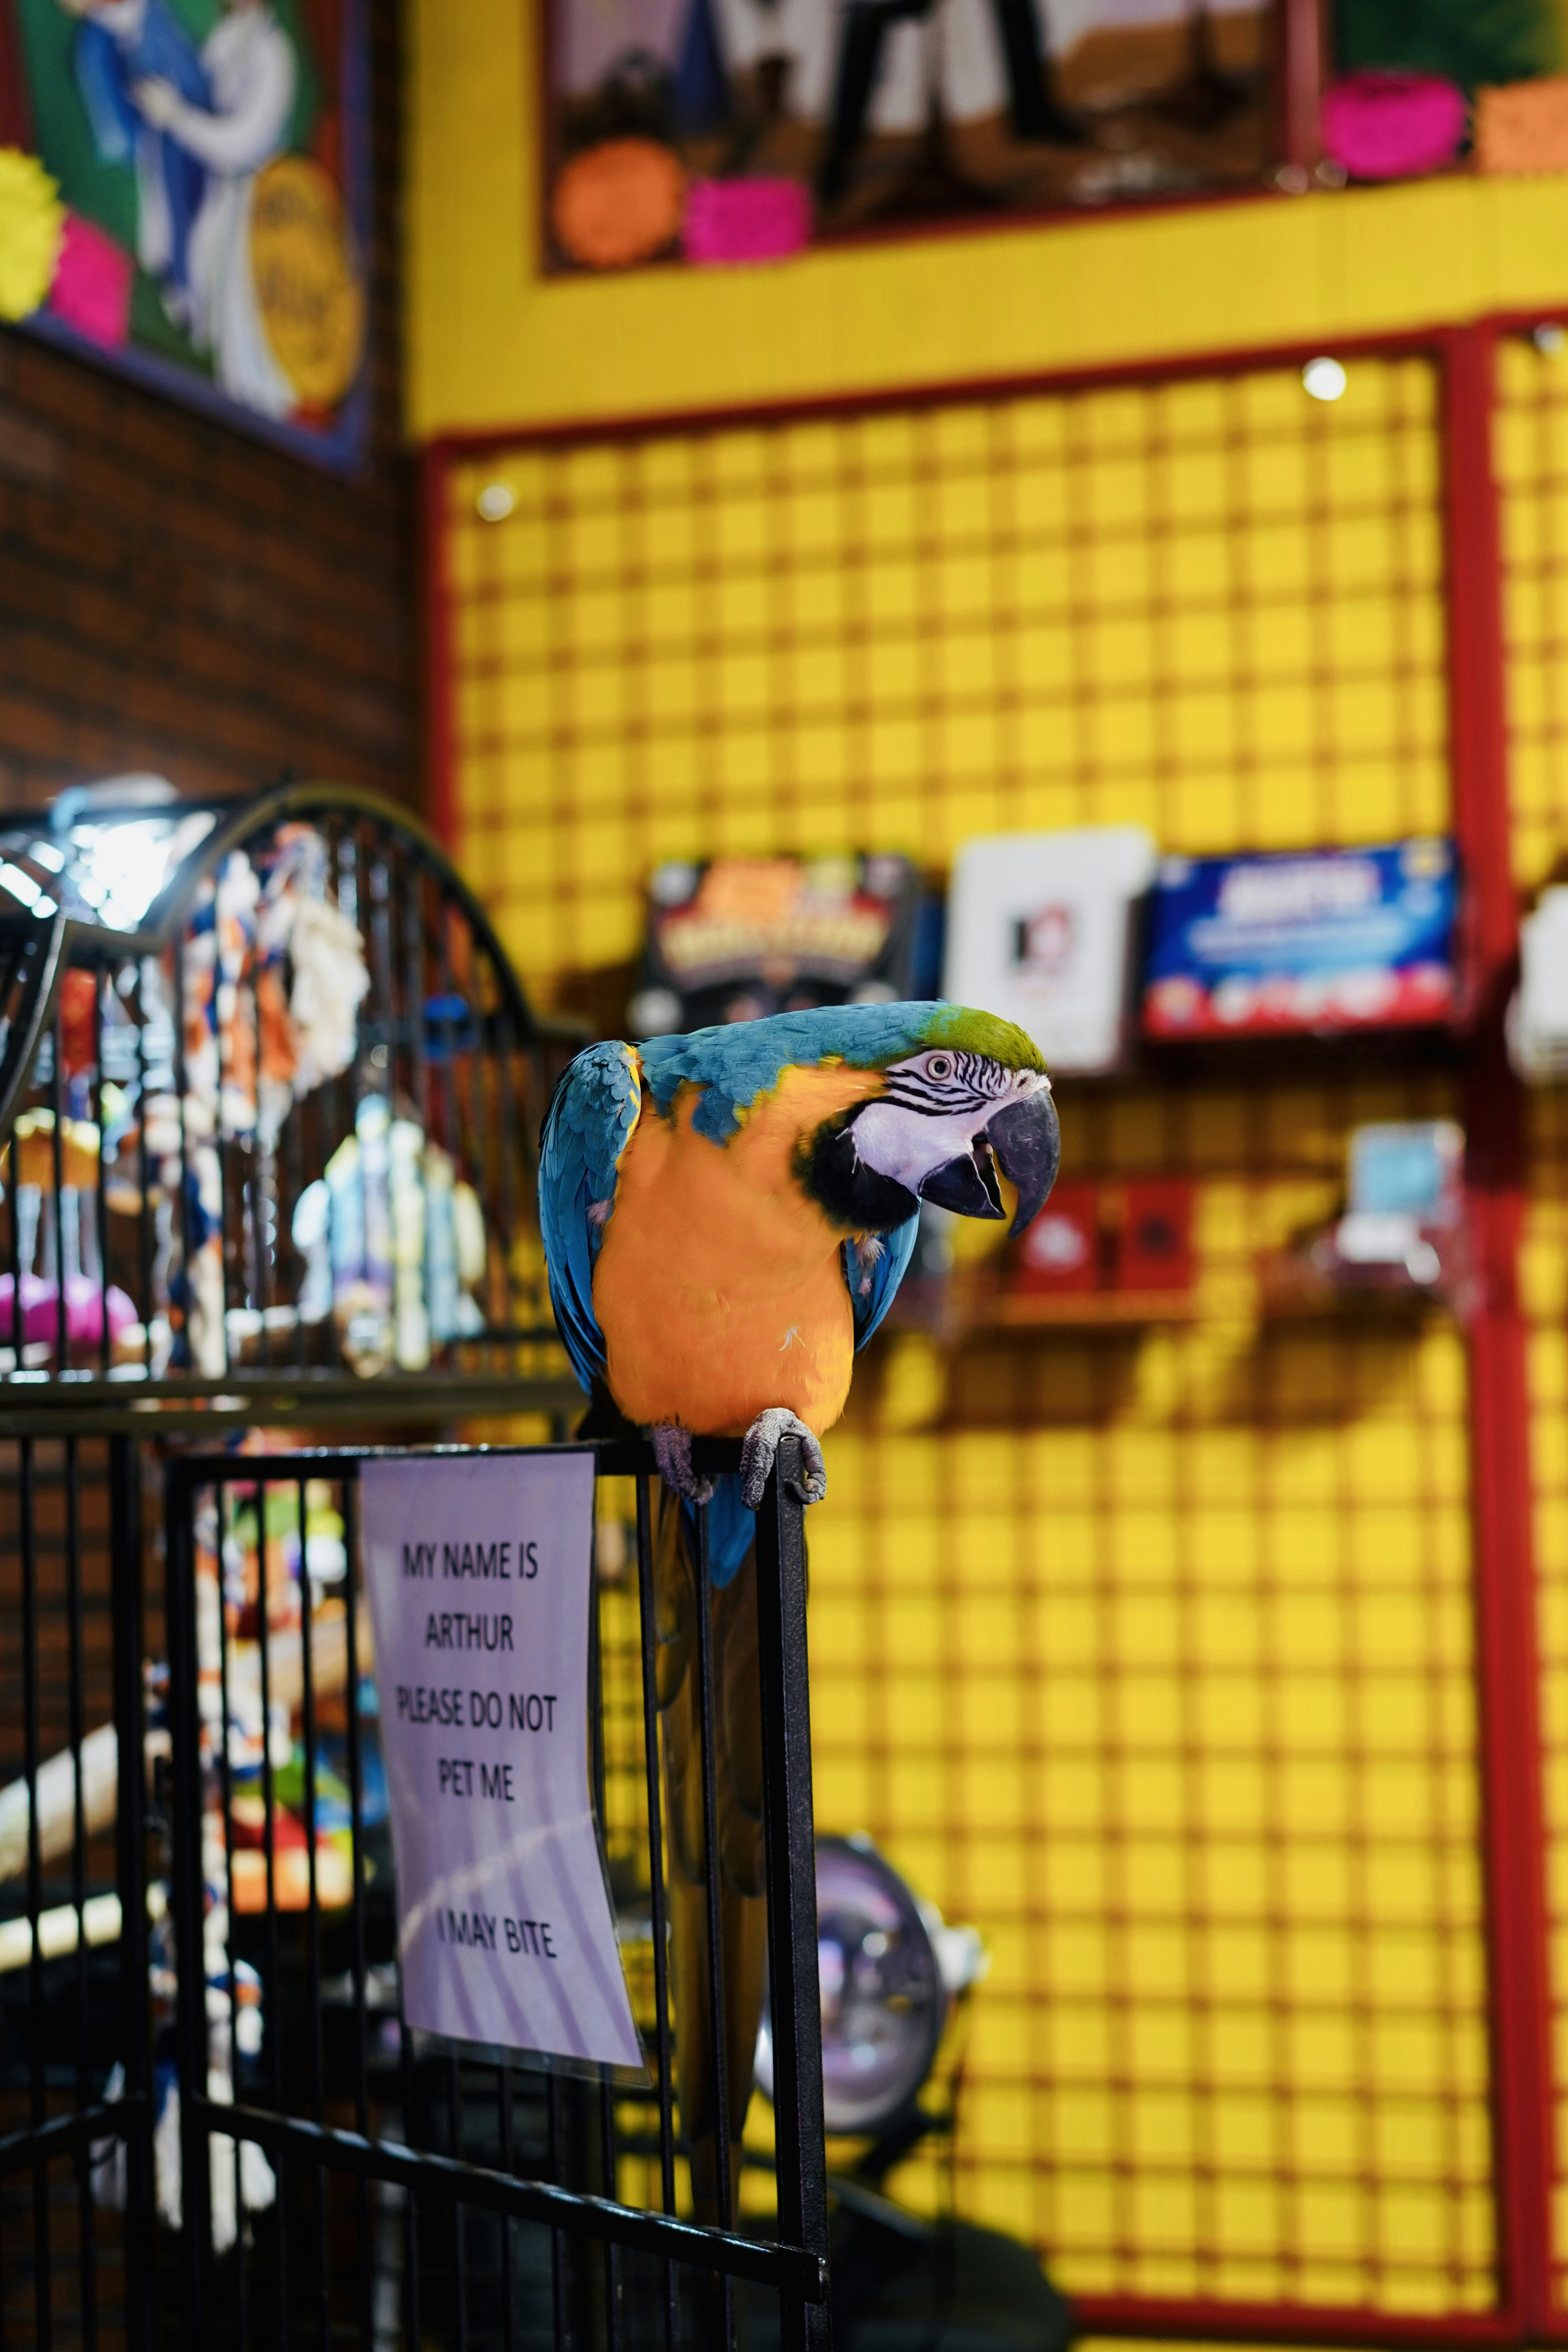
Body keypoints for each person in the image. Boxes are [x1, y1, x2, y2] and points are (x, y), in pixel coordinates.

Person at [130, 0, 297, 416]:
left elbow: (245, 143)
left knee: (242, 332)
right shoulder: (226, 40)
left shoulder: (272, 54)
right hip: (212, 195)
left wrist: (180, 118)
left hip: (250, 212)